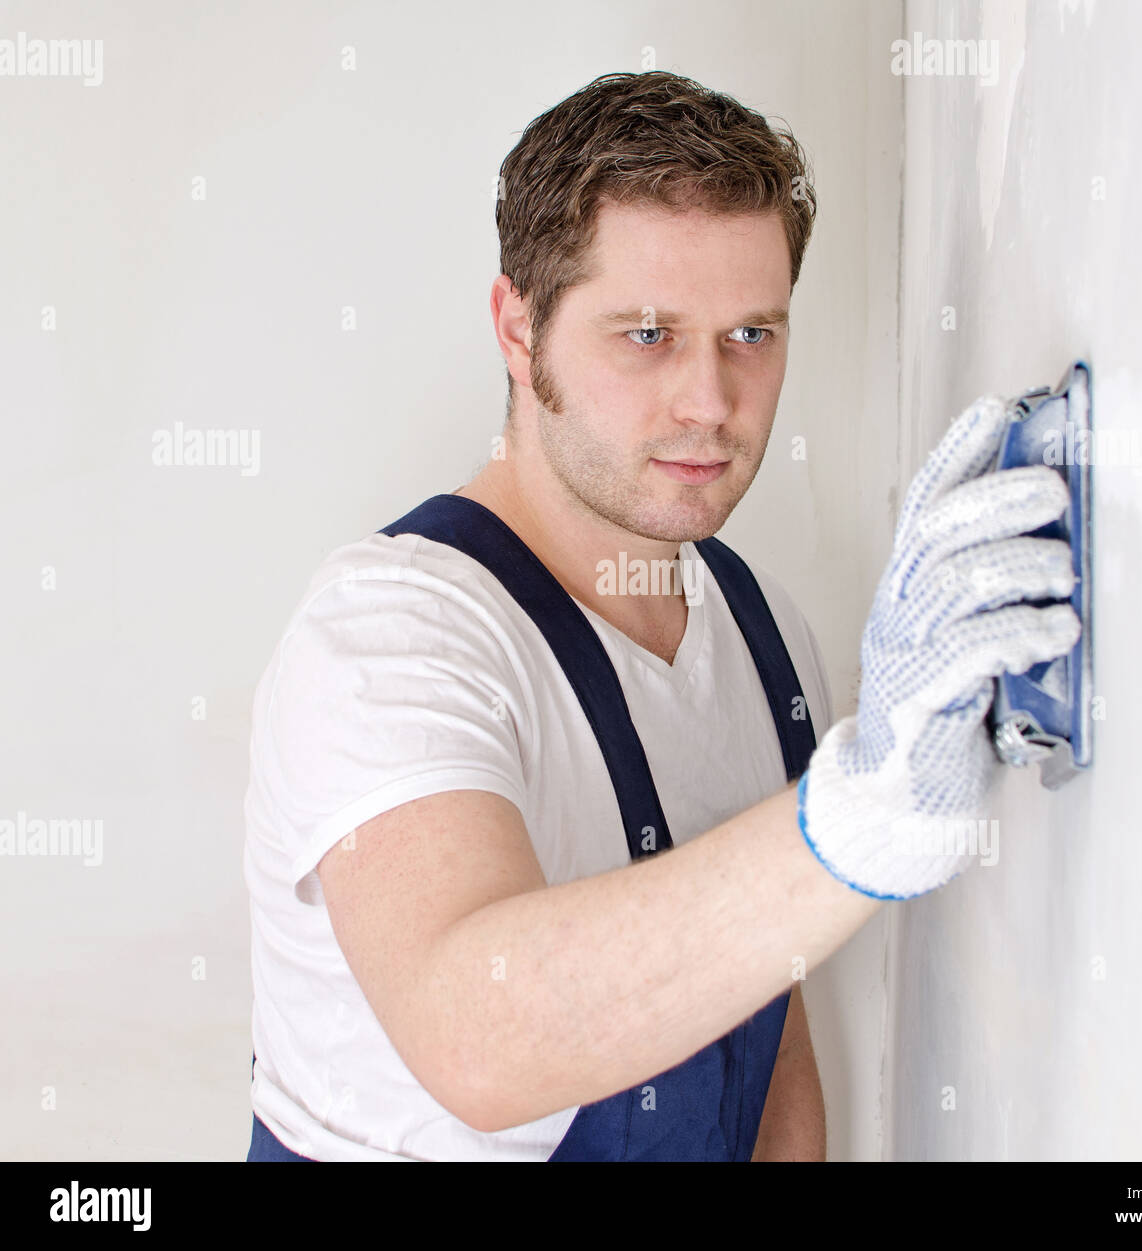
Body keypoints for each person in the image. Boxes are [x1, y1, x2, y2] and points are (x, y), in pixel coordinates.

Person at [243, 70, 1078, 1162]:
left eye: (751, 334)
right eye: (646, 335)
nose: (711, 400)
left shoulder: (762, 630)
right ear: (517, 325)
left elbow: (769, 1041)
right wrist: (857, 819)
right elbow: (475, 1035)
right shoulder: (391, 636)